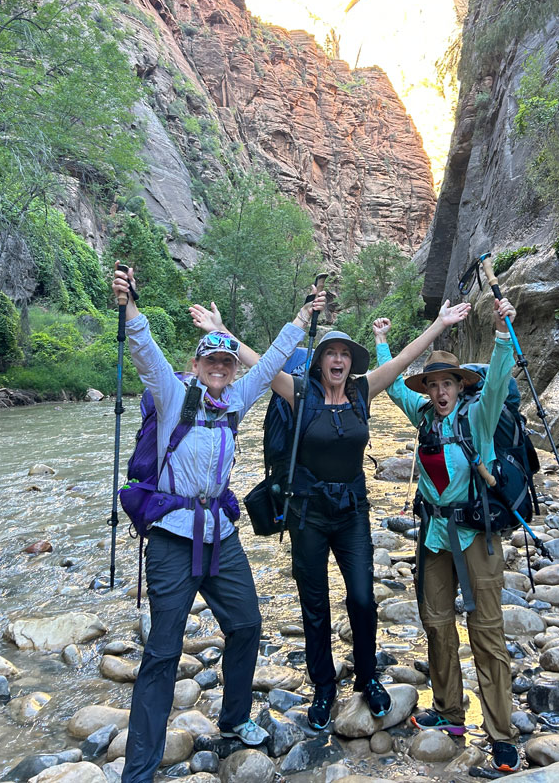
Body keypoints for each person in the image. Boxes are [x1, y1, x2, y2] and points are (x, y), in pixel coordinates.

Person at [190, 297, 471, 730]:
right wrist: (221, 331)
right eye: (330, 354)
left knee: (361, 598)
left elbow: (403, 360)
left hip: (352, 512)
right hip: (307, 515)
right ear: (320, 362)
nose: (338, 360)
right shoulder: (299, 392)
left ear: (350, 363)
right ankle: (323, 686)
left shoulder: (362, 391)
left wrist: (439, 323)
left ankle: (367, 678)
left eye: (344, 354)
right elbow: (262, 364)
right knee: (315, 602)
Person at [112, 263, 326, 783]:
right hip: (172, 536)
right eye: (211, 360)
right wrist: (130, 305)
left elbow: (271, 363)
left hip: (220, 536)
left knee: (247, 624)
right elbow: (144, 351)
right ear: (197, 363)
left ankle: (233, 719)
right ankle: (139, 769)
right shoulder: (171, 394)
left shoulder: (236, 400)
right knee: (163, 651)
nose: (220, 367)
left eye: (226, 362)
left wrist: (302, 317)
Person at [374, 297, 521, 774]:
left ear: (460, 386)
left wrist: (502, 333)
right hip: (434, 535)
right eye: (433, 384)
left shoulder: (478, 417)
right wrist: (381, 342)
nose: (439, 392)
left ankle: (501, 733)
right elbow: (391, 385)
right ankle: (449, 711)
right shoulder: (422, 415)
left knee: (487, 632)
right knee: (436, 624)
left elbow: (497, 384)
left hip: (476, 536)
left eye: (447, 384)